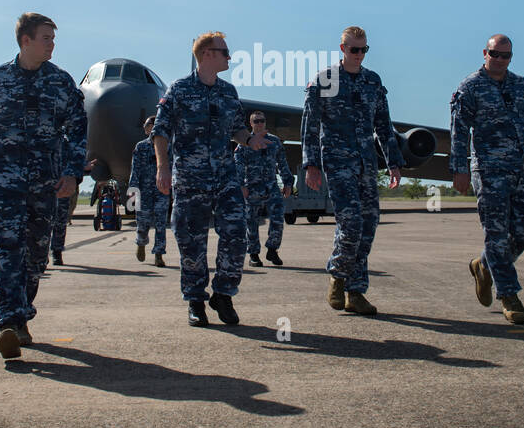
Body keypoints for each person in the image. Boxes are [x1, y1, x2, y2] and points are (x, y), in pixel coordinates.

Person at [0, 13, 88, 359]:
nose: (52, 44)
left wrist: (72, 174)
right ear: (25, 40)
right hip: (2, 183)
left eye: (53, 38)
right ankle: (10, 323)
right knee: (9, 249)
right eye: (46, 38)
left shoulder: (61, 83)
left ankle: (21, 314)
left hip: (45, 184)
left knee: (36, 257)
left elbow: (77, 130)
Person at [450, 34, 524, 324]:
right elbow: (459, 130)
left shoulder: (521, 86)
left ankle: (483, 265)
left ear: (511, 57)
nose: (499, 60)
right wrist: (459, 168)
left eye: (505, 56)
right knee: (496, 234)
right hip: (487, 170)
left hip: (520, 169)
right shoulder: (470, 87)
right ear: (485, 53)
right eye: (495, 54)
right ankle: (509, 295)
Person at [153, 31, 254, 327]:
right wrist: (163, 168)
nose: (229, 57)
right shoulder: (179, 90)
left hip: (225, 177)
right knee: (191, 241)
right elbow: (160, 131)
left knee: (237, 235)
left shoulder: (229, 92)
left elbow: (237, 129)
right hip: (191, 179)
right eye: (224, 52)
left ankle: (223, 293)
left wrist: (250, 140)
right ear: (207, 54)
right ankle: (195, 300)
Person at [300, 25, 401, 315]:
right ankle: (338, 275)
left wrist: (393, 162)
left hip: (367, 163)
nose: (359, 55)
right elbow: (311, 125)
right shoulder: (325, 80)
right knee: (351, 223)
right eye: (354, 49)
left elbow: (383, 125)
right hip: (337, 161)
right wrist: (311, 164)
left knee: (368, 224)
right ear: (342, 49)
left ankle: (355, 292)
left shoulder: (372, 81)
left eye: (364, 50)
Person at [235, 110, 293, 266]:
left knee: (278, 218)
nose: (260, 124)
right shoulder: (244, 144)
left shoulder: (274, 142)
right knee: (251, 221)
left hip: (271, 186)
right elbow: (238, 166)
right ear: (251, 124)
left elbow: (282, 163)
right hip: (252, 187)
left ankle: (272, 250)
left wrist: (288, 183)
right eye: (256, 121)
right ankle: (254, 254)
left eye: (262, 121)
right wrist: (241, 185)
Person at [127, 116, 168, 267]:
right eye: (148, 126)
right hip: (143, 191)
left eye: (152, 125)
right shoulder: (140, 147)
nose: (149, 128)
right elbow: (135, 171)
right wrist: (132, 193)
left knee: (161, 223)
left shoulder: (166, 146)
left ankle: (159, 254)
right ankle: (141, 243)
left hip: (161, 190)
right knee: (142, 223)